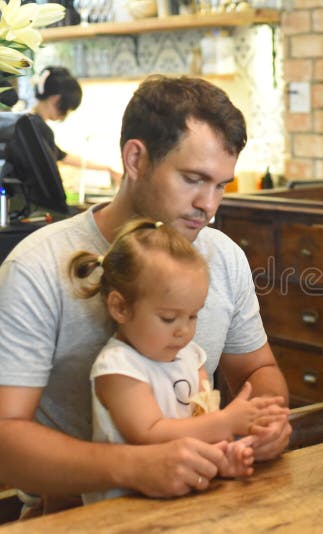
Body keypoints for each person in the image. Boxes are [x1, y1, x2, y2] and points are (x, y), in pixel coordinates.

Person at [0, 75, 291, 514]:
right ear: (135, 159)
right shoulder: (37, 267)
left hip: (206, 506)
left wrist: (268, 421)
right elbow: (6, 441)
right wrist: (135, 467)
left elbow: (258, 369)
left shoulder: (224, 256)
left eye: (220, 185)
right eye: (193, 179)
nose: (209, 206)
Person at [68, 218, 278, 503]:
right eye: (168, 318)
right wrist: (224, 422)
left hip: (184, 495)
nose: (184, 330)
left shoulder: (190, 356)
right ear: (120, 307)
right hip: (126, 506)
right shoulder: (118, 368)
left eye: (193, 315)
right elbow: (150, 433)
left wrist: (226, 453)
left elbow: (201, 419)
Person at [31, 66, 122, 187]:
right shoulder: (39, 129)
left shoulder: (30, 124)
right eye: (67, 109)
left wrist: (107, 168)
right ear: (56, 100)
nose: (65, 116)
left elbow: (63, 157)